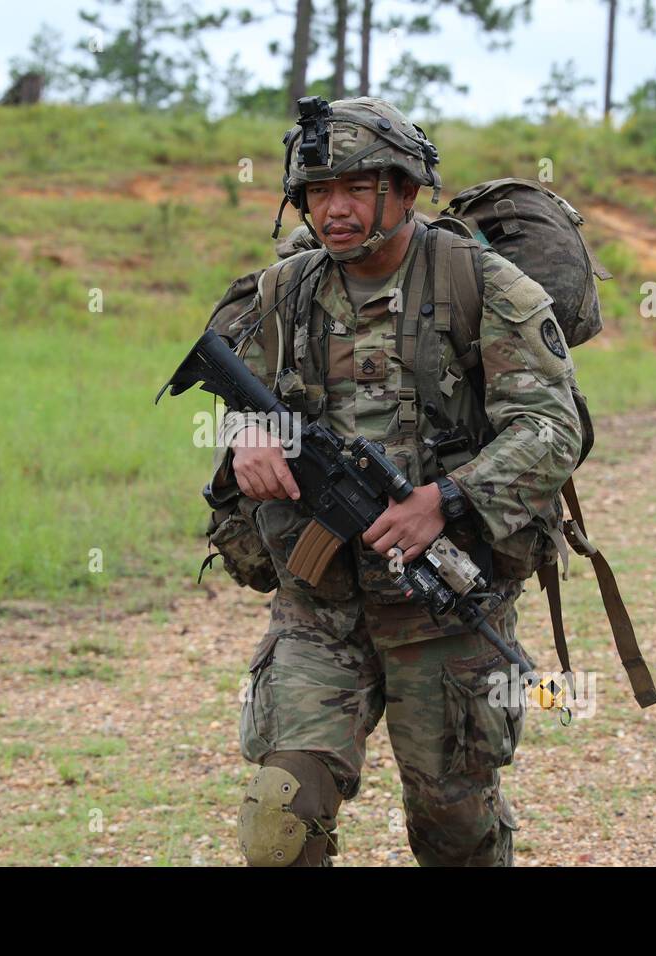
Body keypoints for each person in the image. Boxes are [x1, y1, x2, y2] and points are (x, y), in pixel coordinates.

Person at [213, 97, 583, 866]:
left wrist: (441, 502)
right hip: (319, 613)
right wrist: (248, 433)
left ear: (406, 191)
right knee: (279, 824)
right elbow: (236, 395)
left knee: (456, 836)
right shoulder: (284, 292)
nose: (335, 210)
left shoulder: (483, 287)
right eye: (318, 192)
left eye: (356, 188)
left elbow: (552, 431)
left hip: (441, 615)